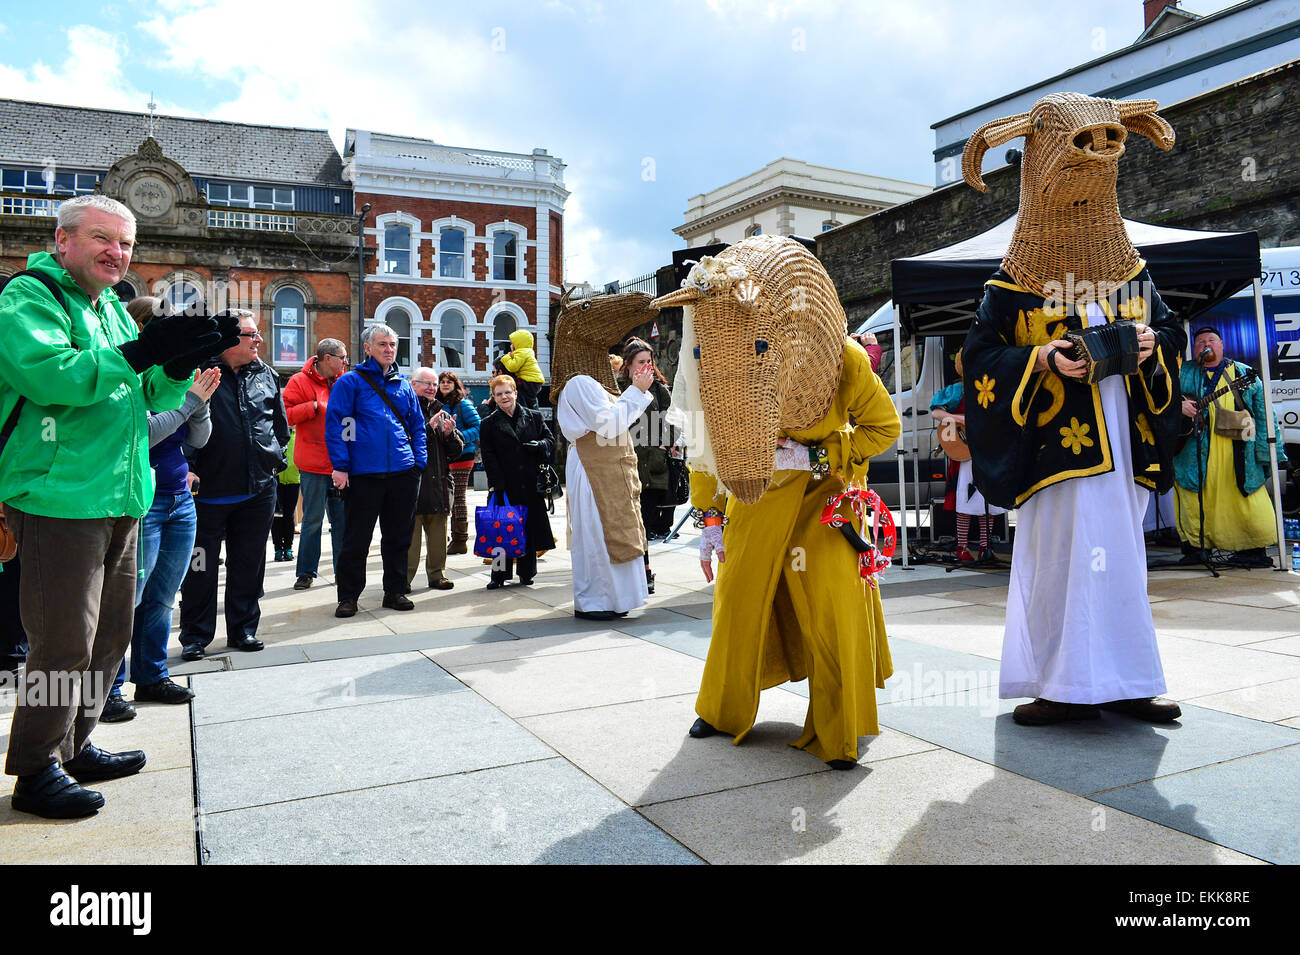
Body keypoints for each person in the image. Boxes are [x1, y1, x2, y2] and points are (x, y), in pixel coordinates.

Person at [0, 194, 236, 818]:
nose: (117, 252)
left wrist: (177, 364)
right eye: (103, 238)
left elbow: (145, 387)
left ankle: (75, 741)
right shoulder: (29, 298)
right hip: (59, 494)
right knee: (61, 639)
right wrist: (141, 353)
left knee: (111, 631)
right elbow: (51, 376)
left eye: (126, 244)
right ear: (63, 240)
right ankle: (35, 767)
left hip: (123, 491)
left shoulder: (110, 309)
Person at [958, 92, 1185, 727]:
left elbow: (1173, 335)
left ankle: (1131, 681)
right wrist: (1042, 363)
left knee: (1121, 561)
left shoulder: (1129, 273)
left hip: (1120, 452)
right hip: (1052, 456)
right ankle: (1058, 685)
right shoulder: (1011, 285)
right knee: (1058, 565)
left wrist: (1150, 345)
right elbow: (979, 362)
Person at [650, 239, 902, 769]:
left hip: (827, 500)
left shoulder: (845, 359)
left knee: (833, 598)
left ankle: (841, 725)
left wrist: (820, 455)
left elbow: (885, 428)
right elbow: (707, 440)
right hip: (755, 497)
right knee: (737, 599)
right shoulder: (721, 363)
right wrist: (711, 513)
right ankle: (720, 708)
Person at [102, 296, 220, 723]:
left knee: (161, 597)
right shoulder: (135, 375)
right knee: (124, 600)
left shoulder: (174, 375)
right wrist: (188, 404)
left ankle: (150, 674)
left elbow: (198, 441)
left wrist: (199, 407)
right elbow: (143, 434)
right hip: (143, 502)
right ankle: (109, 689)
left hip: (179, 500)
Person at [179, 310, 289, 660]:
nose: (259, 340)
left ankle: (243, 629)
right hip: (208, 492)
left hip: (258, 490)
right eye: (250, 334)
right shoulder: (199, 372)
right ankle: (195, 636)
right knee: (200, 567)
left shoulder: (267, 375)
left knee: (248, 564)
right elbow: (182, 426)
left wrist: (275, 458)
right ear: (228, 339)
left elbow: (280, 428)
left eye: (257, 334)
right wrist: (188, 466)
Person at [555, 321, 656, 621]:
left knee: (616, 530)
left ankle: (618, 599)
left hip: (611, 469)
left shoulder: (596, 384)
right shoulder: (579, 383)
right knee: (598, 534)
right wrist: (636, 392)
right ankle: (596, 601)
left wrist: (636, 393)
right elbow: (608, 425)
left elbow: (618, 419)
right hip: (592, 469)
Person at [326, 324, 427, 617]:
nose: (389, 349)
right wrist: (341, 466)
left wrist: (417, 462)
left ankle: (395, 591)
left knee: (398, 537)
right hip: (363, 473)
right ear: (368, 348)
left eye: (393, 344)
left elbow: (417, 426)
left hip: (403, 472)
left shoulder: (404, 384)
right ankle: (348, 597)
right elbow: (339, 426)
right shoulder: (350, 383)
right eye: (383, 344)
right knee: (356, 539)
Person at [1174, 326, 1288, 567]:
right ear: (1194, 349)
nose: (1206, 343)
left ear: (1222, 345)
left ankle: (1253, 549)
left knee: (1246, 500)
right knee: (1194, 500)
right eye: (1200, 341)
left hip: (1237, 453)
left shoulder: (1244, 373)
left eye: (1211, 340)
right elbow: (1160, 398)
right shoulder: (1181, 373)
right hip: (1192, 453)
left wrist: (1269, 452)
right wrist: (1178, 406)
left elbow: (1263, 414)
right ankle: (1196, 549)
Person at [282, 338, 349, 589]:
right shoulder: (299, 381)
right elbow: (286, 415)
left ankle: (343, 570)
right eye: (342, 358)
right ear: (327, 358)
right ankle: (306, 572)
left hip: (341, 465)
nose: (345, 362)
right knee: (312, 521)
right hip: (312, 465)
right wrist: (311, 407)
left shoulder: (345, 380)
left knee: (341, 521)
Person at [478, 375, 555, 588]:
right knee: (502, 530)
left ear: (515, 393)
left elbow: (550, 440)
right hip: (505, 485)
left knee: (528, 528)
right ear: (493, 397)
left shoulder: (534, 417)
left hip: (530, 483)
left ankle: (527, 572)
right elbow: (488, 455)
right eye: (499, 394)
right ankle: (499, 576)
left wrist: (539, 445)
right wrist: (497, 484)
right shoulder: (488, 424)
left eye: (507, 392)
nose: (504, 397)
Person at [929, 348, 1004, 562]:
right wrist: (959, 419)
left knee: (986, 501)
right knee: (966, 499)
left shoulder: (994, 389)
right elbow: (936, 412)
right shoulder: (957, 390)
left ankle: (984, 547)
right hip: (966, 453)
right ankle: (961, 547)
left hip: (987, 450)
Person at [408, 367, 464, 591]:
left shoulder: (442, 412)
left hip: (439, 487)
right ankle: (404, 579)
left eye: (434, 384)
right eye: (426, 383)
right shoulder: (405, 411)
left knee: (438, 539)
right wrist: (427, 429)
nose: (432, 388)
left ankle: (437, 575)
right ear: (413, 385)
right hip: (413, 488)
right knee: (410, 542)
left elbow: (456, 451)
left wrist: (451, 435)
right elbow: (405, 441)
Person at [618, 339, 678, 543]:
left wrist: (665, 444)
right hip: (627, 461)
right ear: (628, 364)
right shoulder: (617, 389)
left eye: (649, 361)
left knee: (647, 521)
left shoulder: (660, 390)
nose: (647, 366)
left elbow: (675, 420)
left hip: (655, 463)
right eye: (641, 361)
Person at [437, 371, 481, 555]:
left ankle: (460, 539)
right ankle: (450, 536)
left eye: (449, 382)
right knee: (447, 497)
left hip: (463, 455)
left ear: (456, 385)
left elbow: (479, 426)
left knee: (459, 496)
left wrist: (460, 436)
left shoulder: (463, 405)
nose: (445, 384)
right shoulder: (438, 404)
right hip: (444, 456)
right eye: (442, 382)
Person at [496, 329, 546, 409]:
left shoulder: (522, 352)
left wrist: (506, 358)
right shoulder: (526, 352)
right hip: (534, 382)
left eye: (512, 343)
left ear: (518, 343)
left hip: (529, 382)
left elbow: (513, 367)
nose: (510, 346)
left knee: (511, 383)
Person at [272, 430, 300, 562]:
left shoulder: (297, 434)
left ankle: (288, 547)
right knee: (277, 515)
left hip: (294, 480)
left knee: (289, 515)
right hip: (276, 479)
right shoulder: (274, 433)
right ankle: (278, 549)